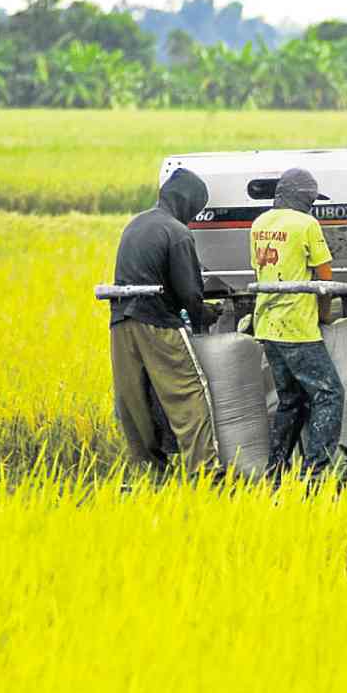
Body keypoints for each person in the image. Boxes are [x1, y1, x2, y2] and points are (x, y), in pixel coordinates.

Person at [109, 167, 218, 475]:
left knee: (134, 400)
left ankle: (148, 472)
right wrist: (203, 319)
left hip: (120, 323)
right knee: (187, 392)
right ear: (187, 203)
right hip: (156, 323)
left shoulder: (135, 224)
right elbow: (190, 294)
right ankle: (205, 471)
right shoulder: (177, 232)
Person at [250, 167, 344, 477]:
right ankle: (316, 473)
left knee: (291, 399)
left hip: (267, 323)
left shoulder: (259, 223)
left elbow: (260, 270)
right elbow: (325, 277)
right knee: (329, 394)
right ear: (304, 198)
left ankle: (274, 471)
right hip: (296, 327)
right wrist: (324, 314)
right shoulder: (306, 224)